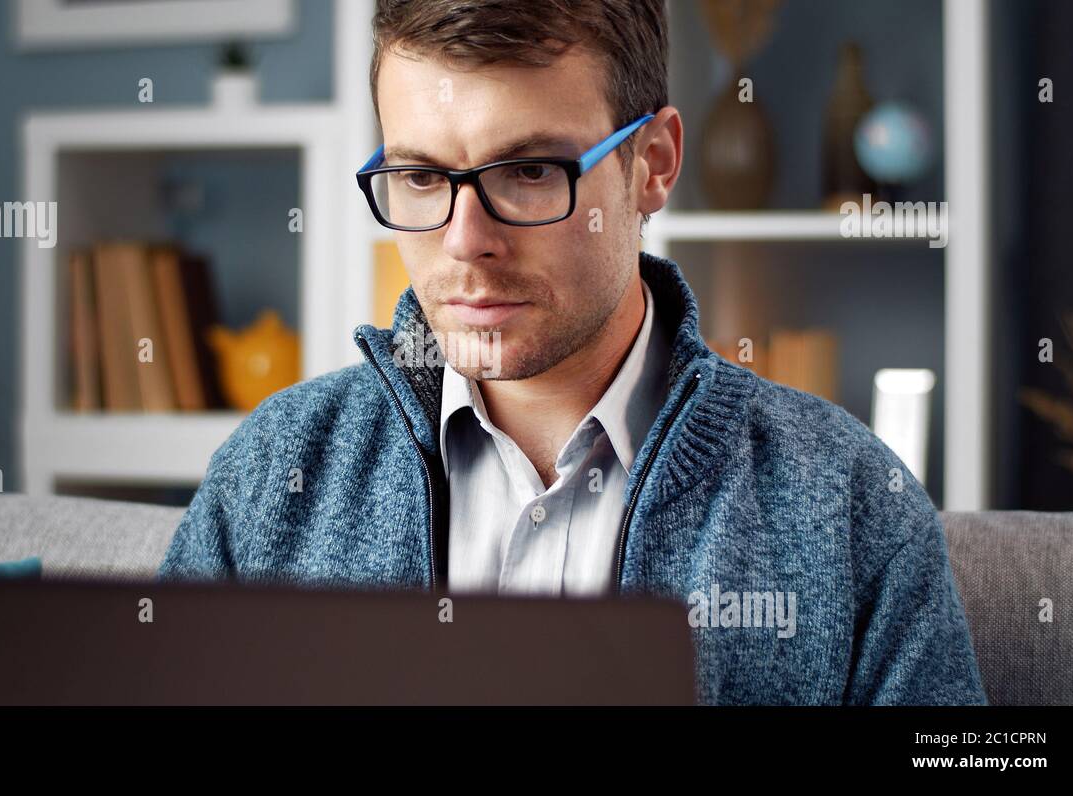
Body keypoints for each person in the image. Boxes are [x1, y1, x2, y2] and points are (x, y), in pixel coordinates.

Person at [160, 0, 987, 705]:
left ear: (652, 165)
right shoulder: (272, 474)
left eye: (526, 171)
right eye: (419, 178)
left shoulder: (847, 501)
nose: (464, 242)